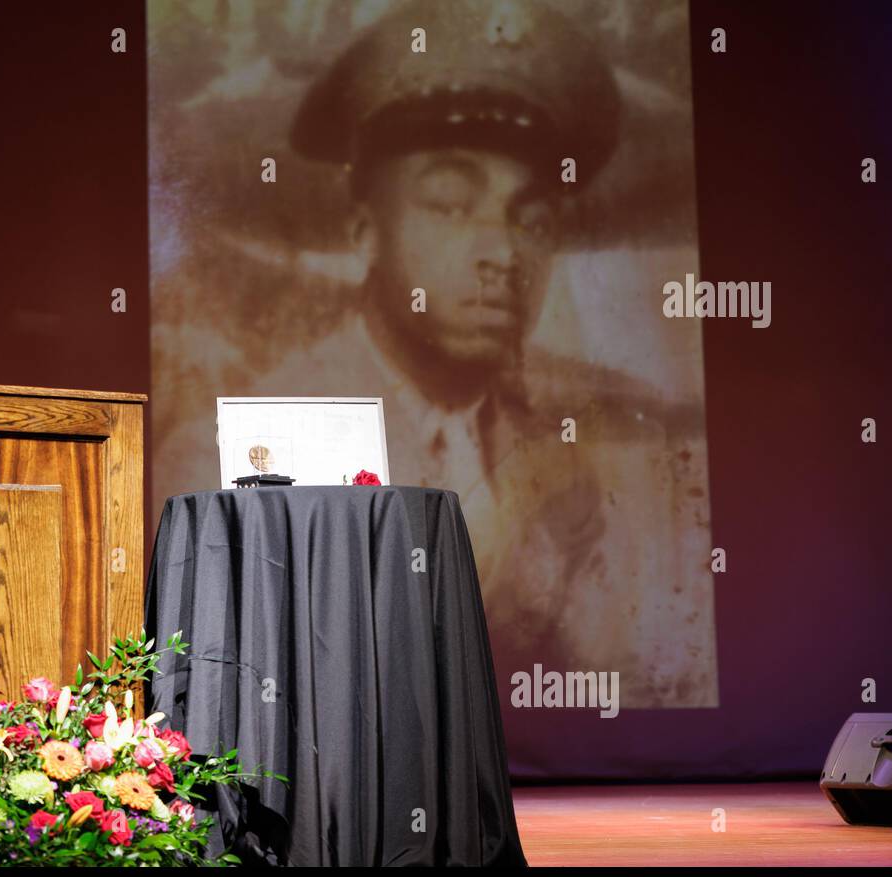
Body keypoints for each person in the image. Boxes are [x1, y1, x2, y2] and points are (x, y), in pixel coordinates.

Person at [152, 0, 717, 705]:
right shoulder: (234, 454)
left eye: (532, 219)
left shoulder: (594, 449)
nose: (502, 251)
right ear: (364, 231)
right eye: (449, 204)